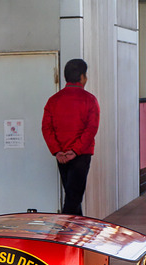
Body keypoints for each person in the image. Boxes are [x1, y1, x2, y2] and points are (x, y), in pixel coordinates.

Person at [42, 59, 100, 216]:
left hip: (61, 156)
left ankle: (75, 234)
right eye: (85, 75)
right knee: (73, 198)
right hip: (81, 154)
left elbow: (47, 128)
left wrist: (58, 151)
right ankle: (63, 234)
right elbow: (91, 129)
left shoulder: (53, 101)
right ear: (81, 77)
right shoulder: (90, 100)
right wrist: (75, 150)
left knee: (72, 194)